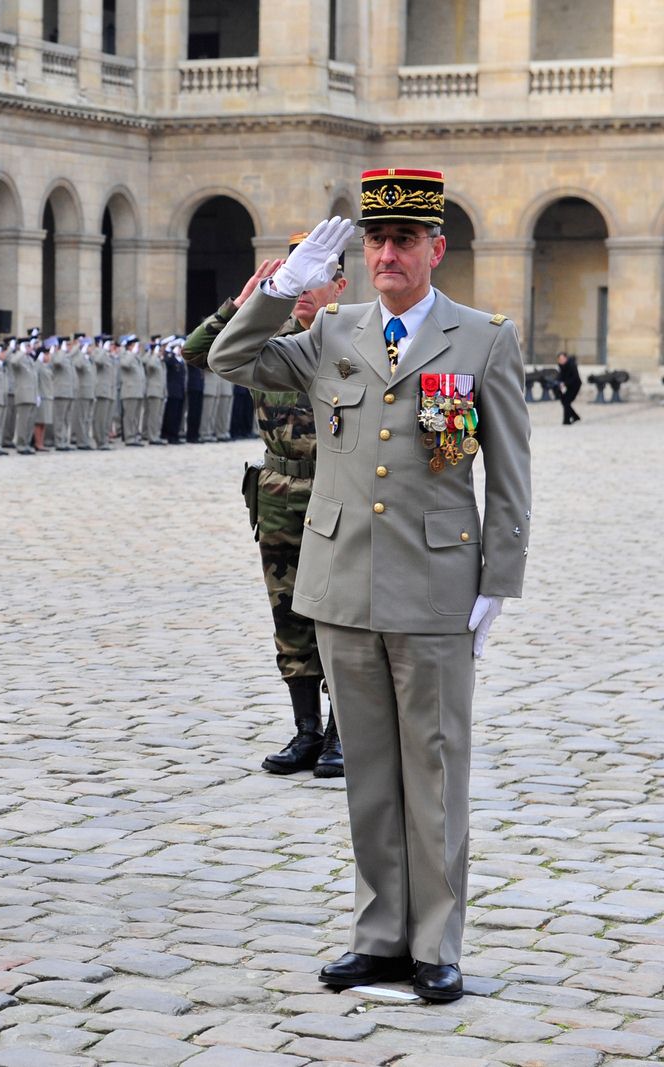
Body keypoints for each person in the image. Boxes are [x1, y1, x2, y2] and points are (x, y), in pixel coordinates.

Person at [209, 169, 532, 1003]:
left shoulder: (480, 338)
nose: (387, 254)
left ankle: (435, 942)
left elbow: (507, 472)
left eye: (403, 240)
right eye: (375, 242)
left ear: (436, 247)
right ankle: (380, 933)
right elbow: (231, 357)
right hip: (343, 583)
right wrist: (281, 288)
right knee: (369, 777)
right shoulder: (334, 332)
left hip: (435, 586)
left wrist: (498, 579)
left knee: (434, 768)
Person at [185, 232, 349, 778]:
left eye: (316, 276)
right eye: (297, 277)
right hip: (279, 495)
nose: (304, 290)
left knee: (339, 617)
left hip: (336, 496)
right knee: (289, 617)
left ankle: (339, 734)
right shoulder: (266, 337)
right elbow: (196, 353)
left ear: (340, 285)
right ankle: (305, 731)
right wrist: (246, 300)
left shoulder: (352, 339)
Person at [556, 351, 581, 424]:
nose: (561, 361)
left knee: (566, 402)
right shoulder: (561, 366)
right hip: (567, 385)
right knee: (564, 401)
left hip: (575, 385)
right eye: (560, 359)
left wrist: (564, 383)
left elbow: (574, 377)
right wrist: (559, 383)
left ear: (566, 358)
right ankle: (575, 417)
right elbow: (561, 376)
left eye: (562, 359)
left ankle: (567, 421)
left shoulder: (572, 365)